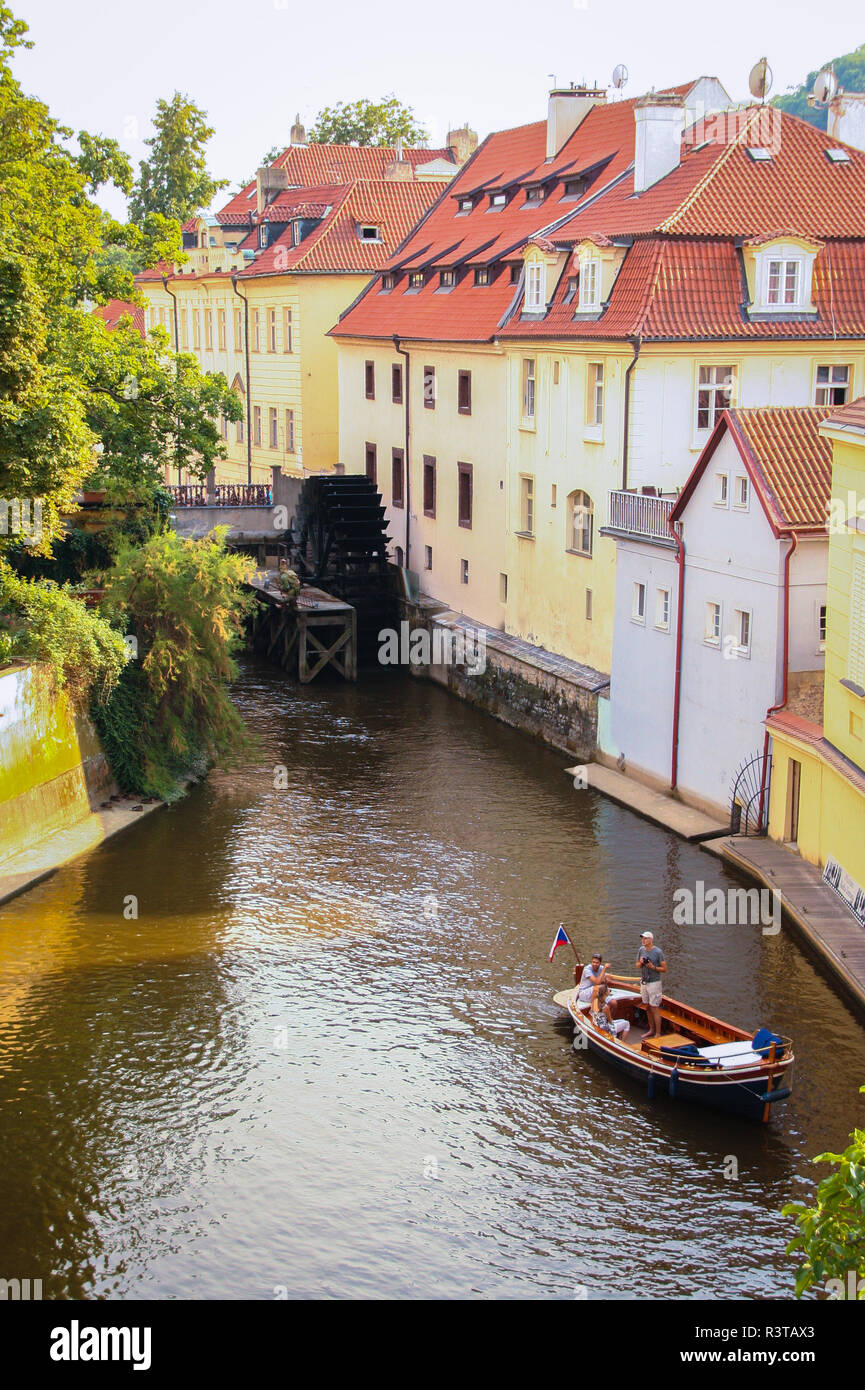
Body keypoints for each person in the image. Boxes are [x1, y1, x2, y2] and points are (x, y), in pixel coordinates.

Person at [635, 931, 666, 1038]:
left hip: (654, 983)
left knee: (654, 1007)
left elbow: (664, 969)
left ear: (651, 940)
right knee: (647, 1006)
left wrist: (653, 967)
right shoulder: (641, 950)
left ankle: (658, 1033)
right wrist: (641, 962)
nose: (643, 940)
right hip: (644, 982)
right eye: (642, 938)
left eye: (646, 938)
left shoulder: (658, 952)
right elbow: (637, 966)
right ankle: (651, 1030)